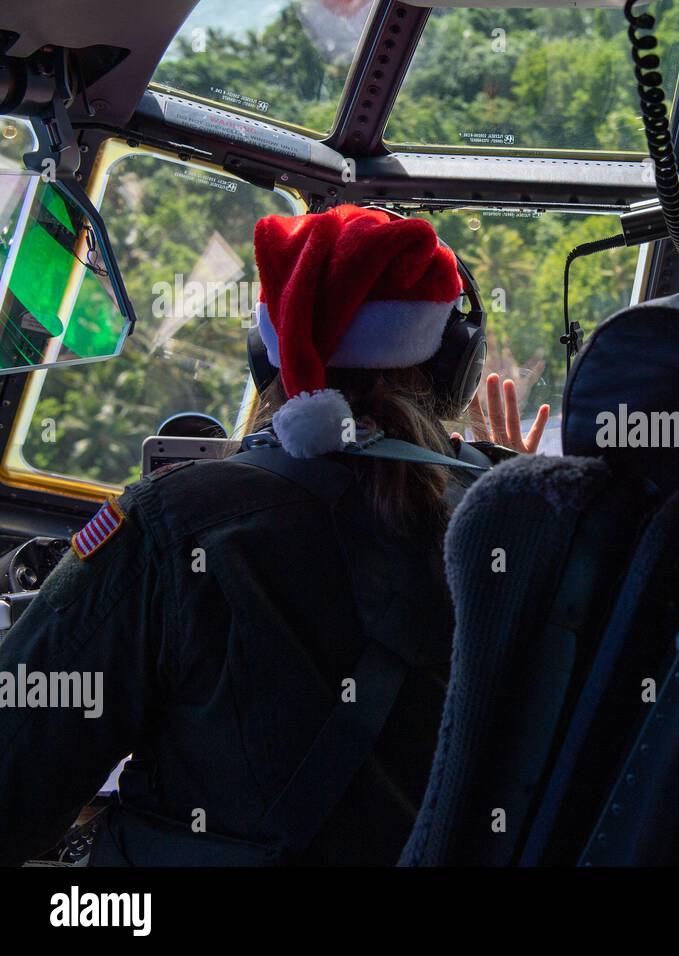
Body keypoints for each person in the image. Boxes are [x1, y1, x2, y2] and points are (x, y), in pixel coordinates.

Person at [0, 205, 545, 865]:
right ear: (453, 362)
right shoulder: (510, 530)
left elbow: (15, 773)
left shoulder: (175, 519)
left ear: (269, 352)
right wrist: (512, 483)